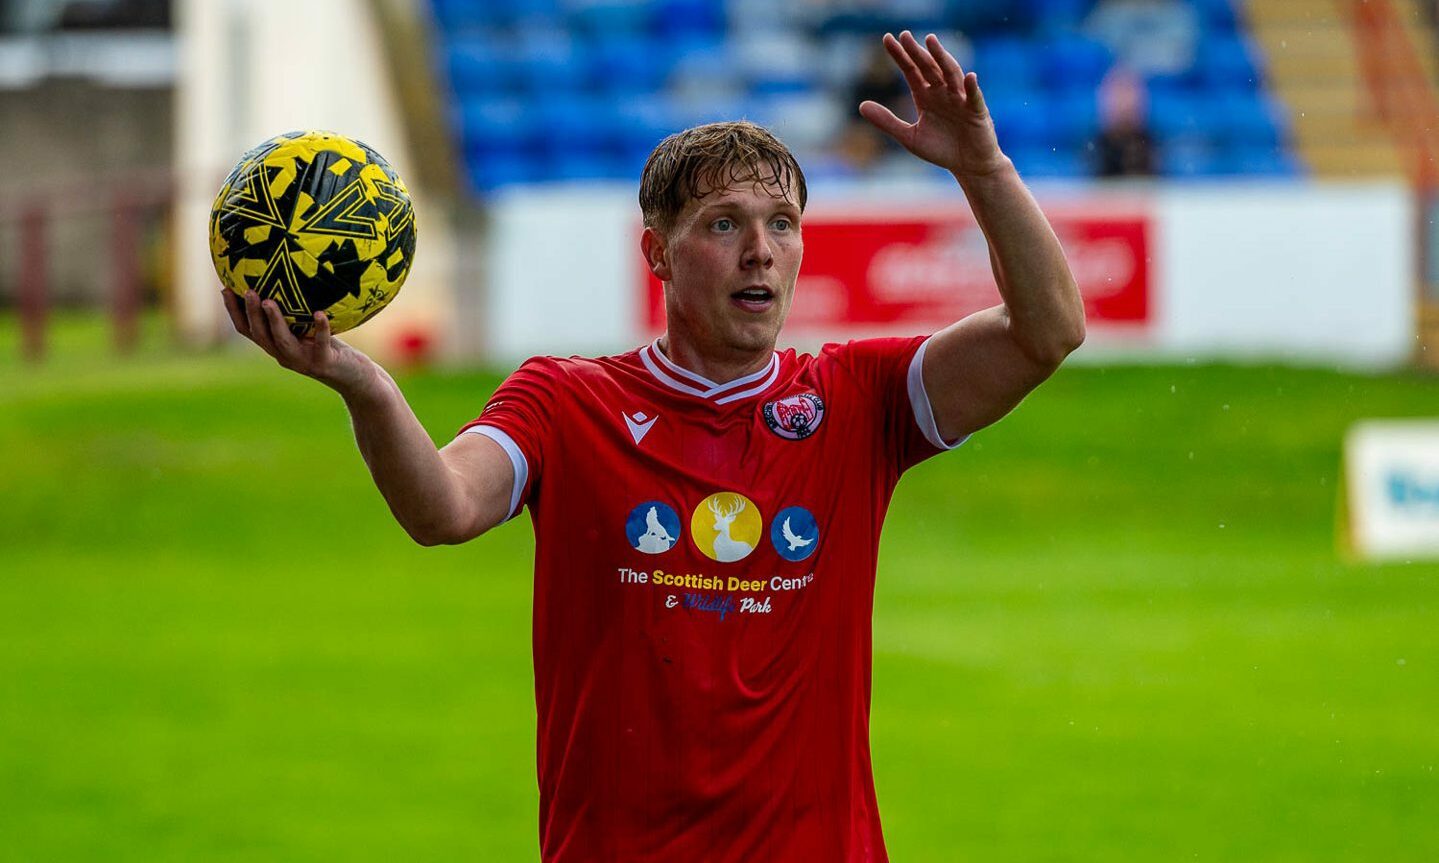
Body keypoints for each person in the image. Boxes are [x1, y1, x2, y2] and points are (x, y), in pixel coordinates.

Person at [222, 31, 1085, 863]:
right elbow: (442, 507)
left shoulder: (857, 400)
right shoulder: (565, 401)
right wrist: (364, 384)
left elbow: (1046, 331)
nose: (760, 252)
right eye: (723, 225)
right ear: (657, 253)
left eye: (782, 224)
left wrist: (983, 169)